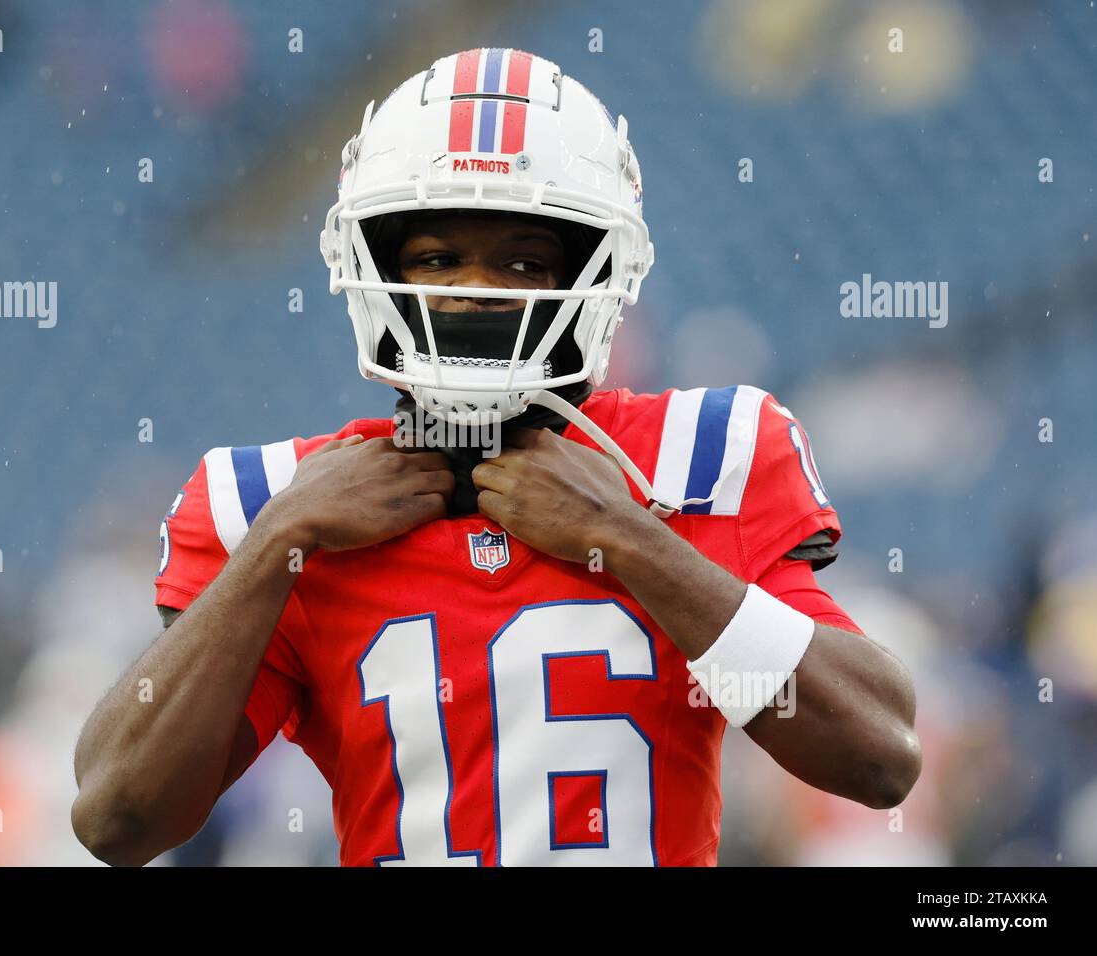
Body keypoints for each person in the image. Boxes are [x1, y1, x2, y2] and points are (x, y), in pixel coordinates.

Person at [72, 48, 920, 867]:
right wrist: (273, 544)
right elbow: (119, 819)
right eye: (437, 258)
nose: (475, 289)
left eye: (522, 261)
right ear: (367, 265)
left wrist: (631, 538)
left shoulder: (701, 457)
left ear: (594, 273)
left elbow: (880, 757)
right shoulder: (278, 504)